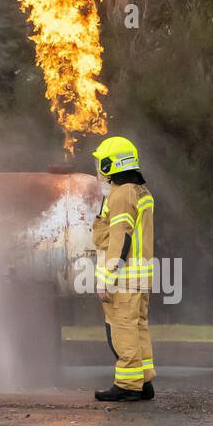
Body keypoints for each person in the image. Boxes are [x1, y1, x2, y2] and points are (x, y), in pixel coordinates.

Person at [90, 136, 156, 402]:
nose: (97, 169)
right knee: (138, 326)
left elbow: (121, 237)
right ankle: (144, 380)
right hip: (139, 275)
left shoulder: (122, 194)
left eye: (100, 163)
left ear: (110, 164)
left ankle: (128, 384)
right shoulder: (140, 191)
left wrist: (107, 278)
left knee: (123, 327)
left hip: (123, 277)